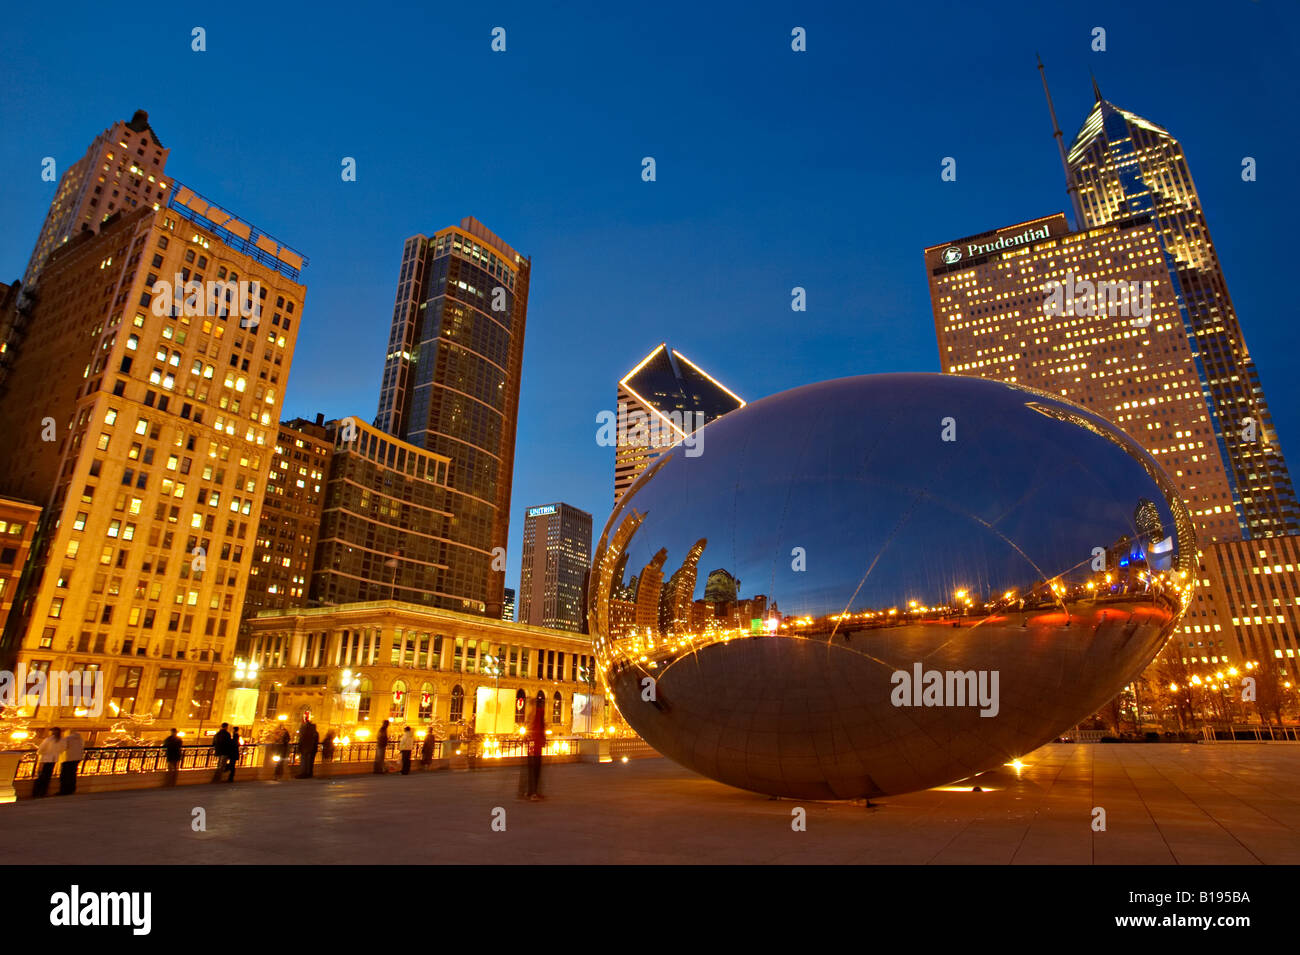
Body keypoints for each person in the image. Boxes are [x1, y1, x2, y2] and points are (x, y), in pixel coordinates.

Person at [524, 700, 546, 800]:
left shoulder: (530, 714)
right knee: (536, 770)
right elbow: (540, 728)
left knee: (531, 770)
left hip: (531, 746)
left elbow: (527, 728)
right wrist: (542, 739)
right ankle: (534, 793)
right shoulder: (539, 713)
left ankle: (530, 792)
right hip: (536, 746)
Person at [32, 728, 63, 798]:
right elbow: (62, 749)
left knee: (41, 775)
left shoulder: (48, 740)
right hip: (54, 759)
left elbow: (41, 749)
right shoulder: (61, 740)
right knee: (48, 776)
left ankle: (37, 792)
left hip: (45, 759)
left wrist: (40, 753)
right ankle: (44, 791)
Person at [58, 729, 85, 795]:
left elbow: (63, 748)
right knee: (72, 774)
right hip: (77, 758)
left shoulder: (67, 739)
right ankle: (72, 789)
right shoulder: (80, 739)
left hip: (68, 758)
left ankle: (64, 790)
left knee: (65, 775)